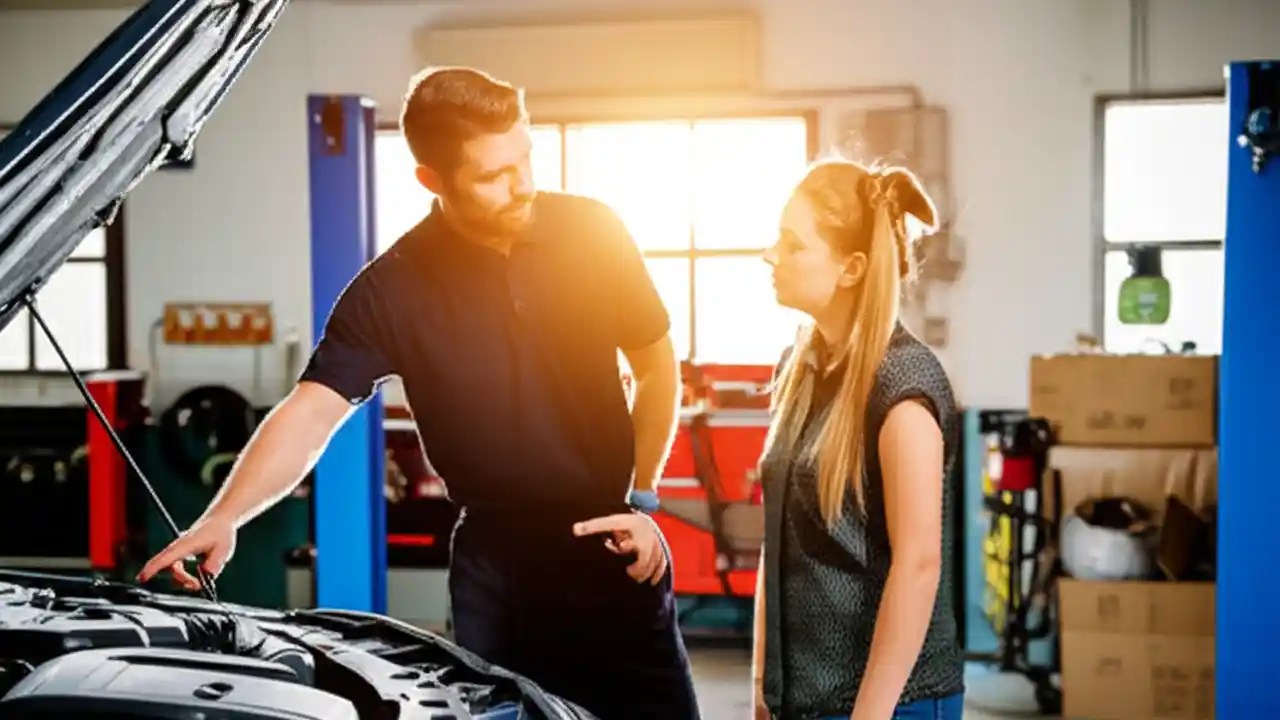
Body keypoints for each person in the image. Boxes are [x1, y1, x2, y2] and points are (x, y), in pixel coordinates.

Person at [137, 66, 702, 720]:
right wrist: (225, 516)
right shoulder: (393, 289)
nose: (523, 185)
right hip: (499, 570)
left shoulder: (593, 231)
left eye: (525, 158)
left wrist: (643, 497)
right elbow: (313, 408)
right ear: (432, 181)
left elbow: (656, 362)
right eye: (494, 175)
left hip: (612, 545)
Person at [750, 158, 965, 720]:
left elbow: (919, 565)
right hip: (803, 699)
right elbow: (777, 541)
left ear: (851, 267)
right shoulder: (801, 369)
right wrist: (763, 686)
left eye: (793, 244)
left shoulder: (904, 385)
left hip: (894, 703)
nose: (771, 255)